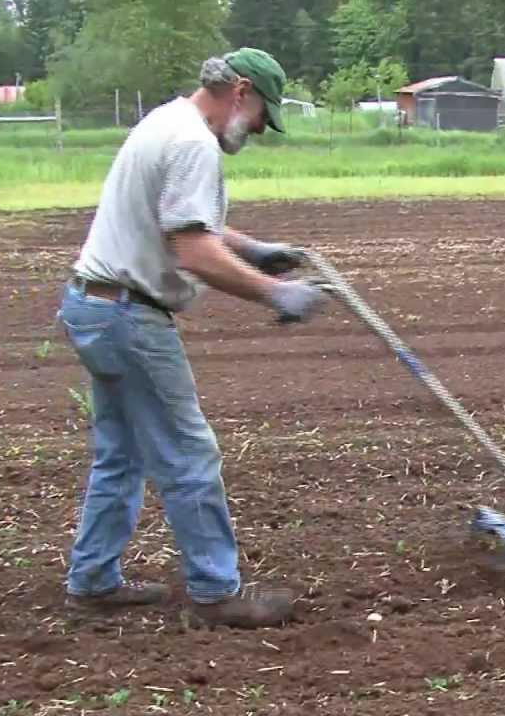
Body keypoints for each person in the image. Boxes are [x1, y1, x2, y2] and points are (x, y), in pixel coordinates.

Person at [54, 47, 326, 629]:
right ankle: (215, 593)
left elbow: (190, 218)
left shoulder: (167, 120)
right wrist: (274, 293)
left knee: (122, 455)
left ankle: (93, 580)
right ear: (241, 92)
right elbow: (195, 250)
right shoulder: (193, 143)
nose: (257, 128)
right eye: (260, 115)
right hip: (129, 317)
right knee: (188, 453)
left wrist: (253, 249)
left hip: (93, 305)